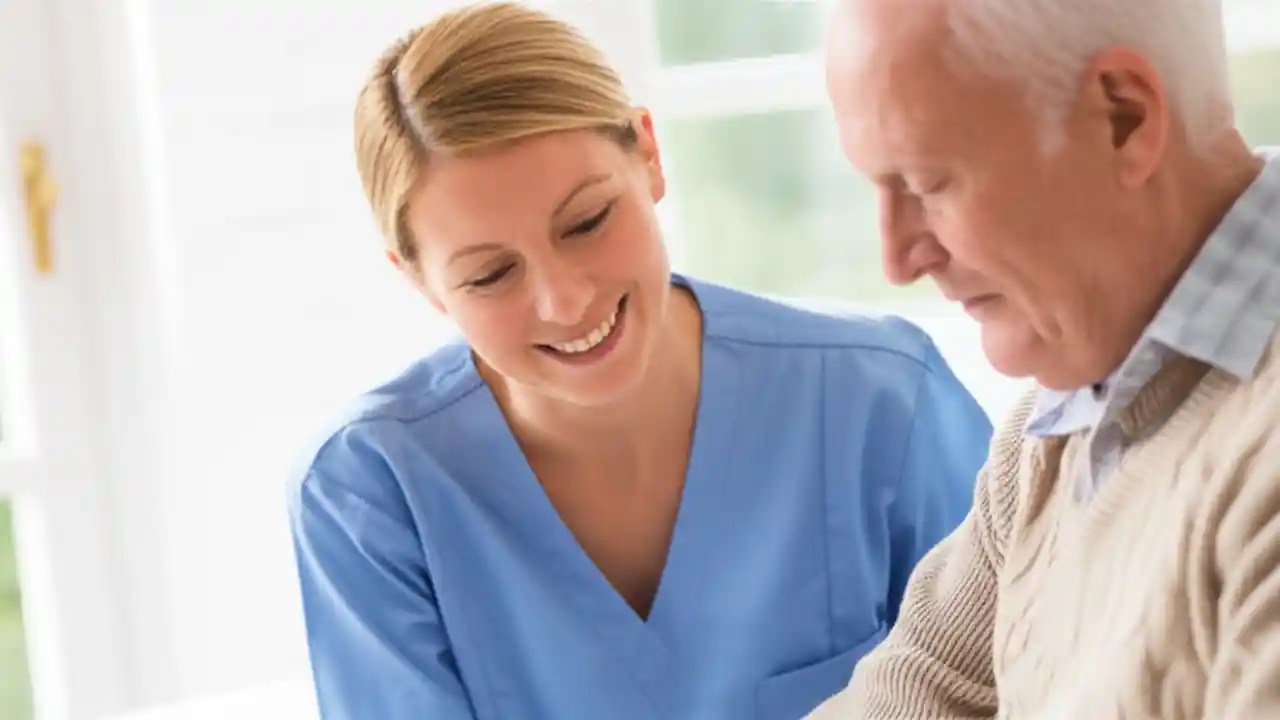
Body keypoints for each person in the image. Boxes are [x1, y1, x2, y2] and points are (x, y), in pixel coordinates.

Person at [286, 3, 992, 719]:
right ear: (420, 282)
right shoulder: (368, 495)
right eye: (491, 275)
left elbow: (1026, 680)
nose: (564, 302)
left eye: (587, 222)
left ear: (649, 156)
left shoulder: (881, 402)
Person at [811, 0, 1280, 718]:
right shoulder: (1057, 429)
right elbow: (910, 691)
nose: (898, 259)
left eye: (929, 184)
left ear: (1123, 117)